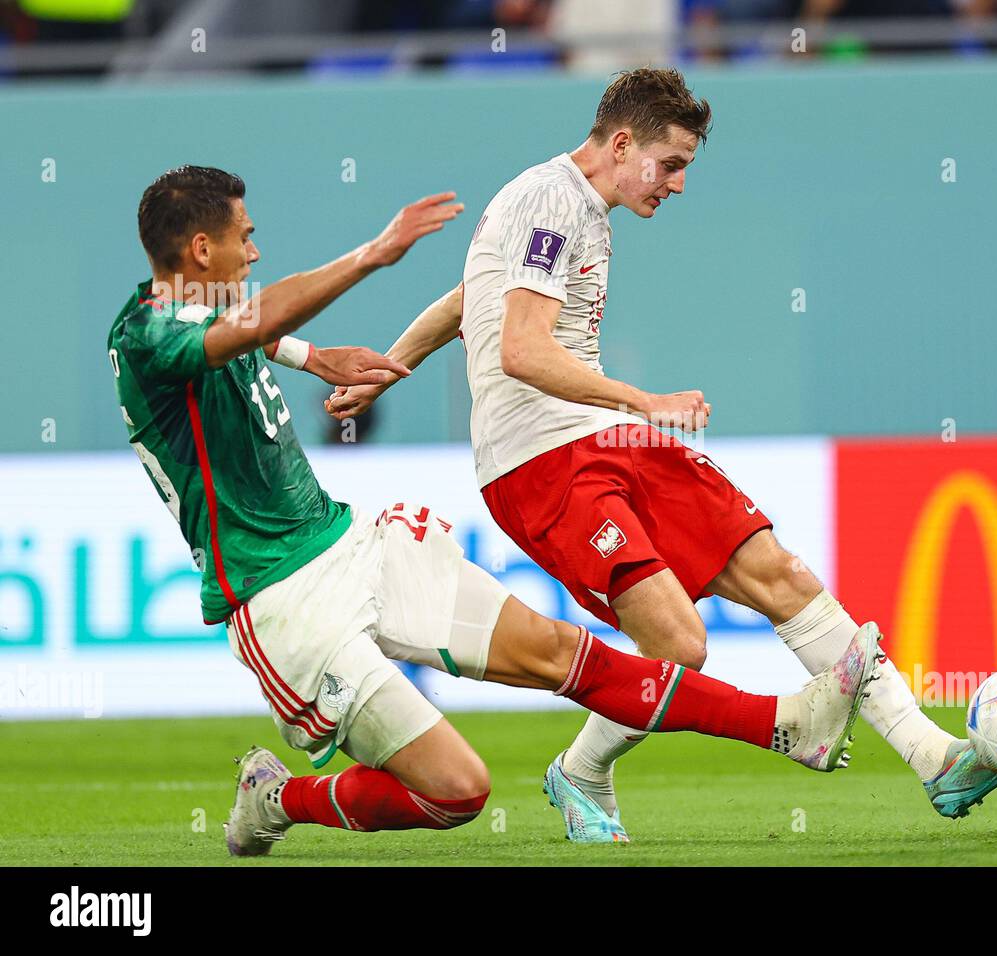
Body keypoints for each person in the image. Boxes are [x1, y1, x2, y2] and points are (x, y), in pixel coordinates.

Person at [109, 165, 879, 856]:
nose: (256, 252)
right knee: (456, 792)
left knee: (556, 651)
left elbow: (245, 328)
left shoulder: (193, 312)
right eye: (247, 238)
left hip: (349, 544)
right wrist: (370, 257)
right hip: (280, 599)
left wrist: (314, 357)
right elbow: (243, 324)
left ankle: (785, 724)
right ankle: (277, 799)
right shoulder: (146, 334)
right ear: (201, 250)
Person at [327, 68, 997, 843]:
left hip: (602, 438)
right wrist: (639, 400)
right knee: (678, 642)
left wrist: (393, 364)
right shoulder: (550, 199)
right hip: (539, 460)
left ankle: (932, 756)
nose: (679, 185)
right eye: (671, 164)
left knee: (777, 572)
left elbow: (466, 298)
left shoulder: (572, 204)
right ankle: (580, 770)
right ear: (622, 144)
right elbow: (518, 349)